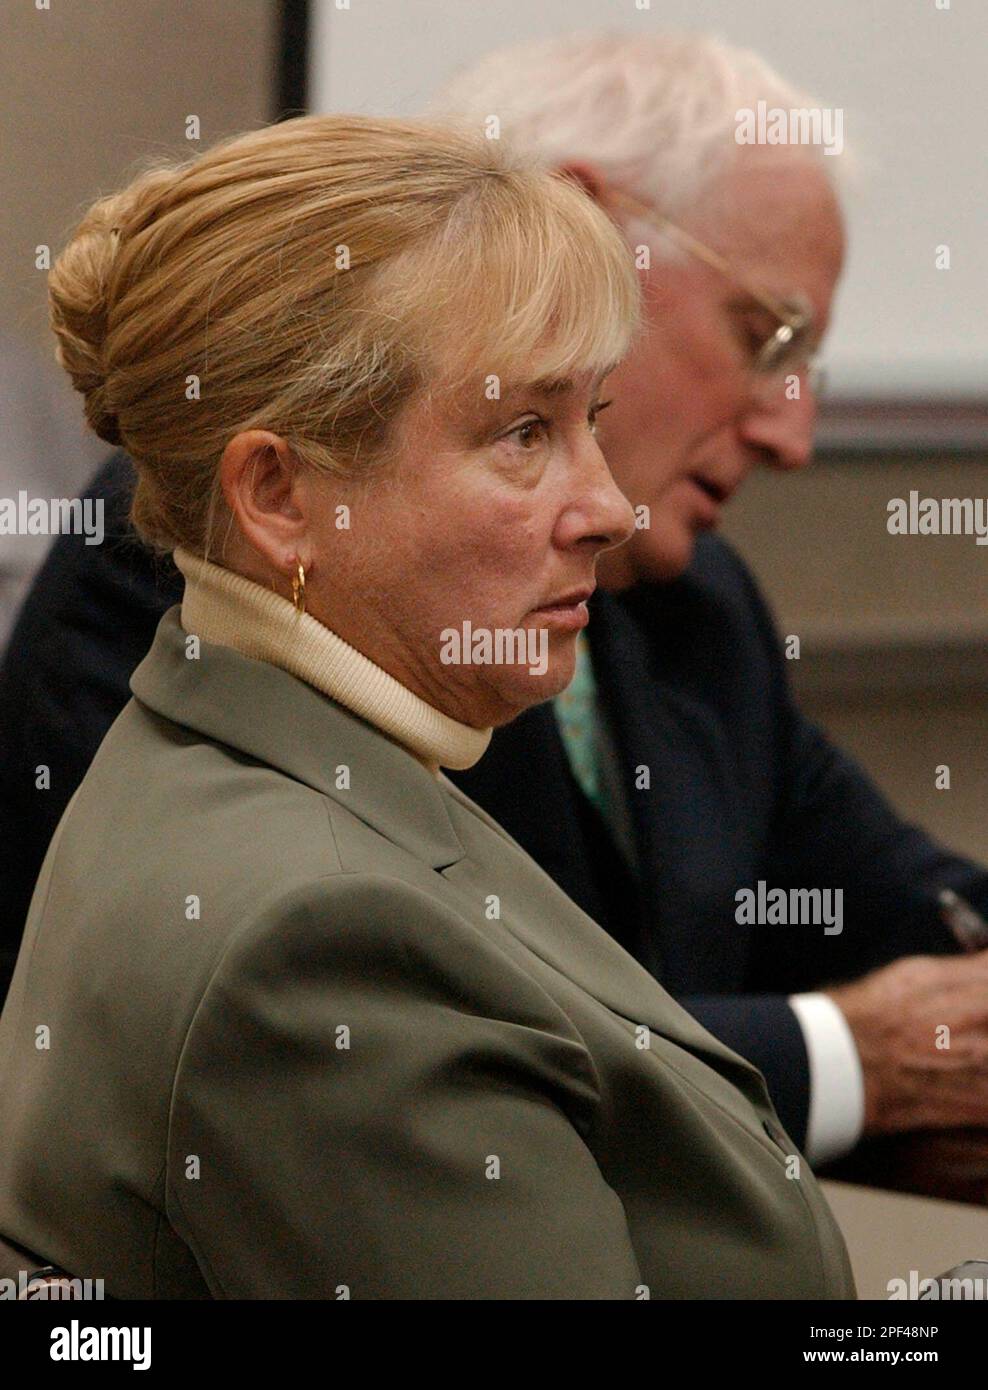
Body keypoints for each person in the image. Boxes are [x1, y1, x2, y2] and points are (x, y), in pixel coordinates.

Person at [1, 33, 984, 1202]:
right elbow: (386, 1036)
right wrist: (843, 1058)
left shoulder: (690, 600)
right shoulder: (191, 557)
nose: (793, 432)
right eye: (765, 338)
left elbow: (902, 906)